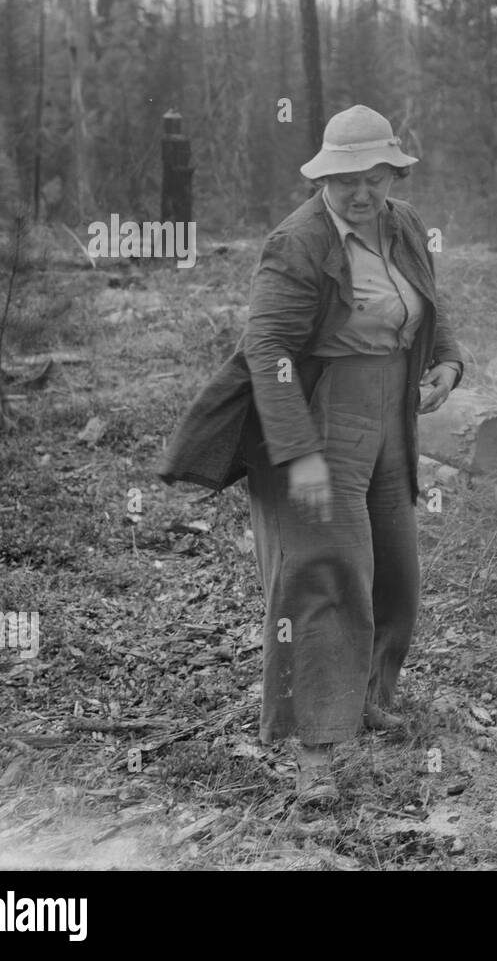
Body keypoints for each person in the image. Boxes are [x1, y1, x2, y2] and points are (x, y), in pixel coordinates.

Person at [157, 105, 464, 806]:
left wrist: (447, 362)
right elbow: (267, 350)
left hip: (390, 420)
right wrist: (297, 453)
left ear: (392, 172)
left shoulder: (404, 224)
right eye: (348, 179)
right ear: (326, 176)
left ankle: (367, 697)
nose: (363, 191)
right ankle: (317, 751)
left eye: (375, 176)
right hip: (319, 418)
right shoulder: (297, 243)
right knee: (326, 573)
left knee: (395, 574)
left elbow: (431, 306)